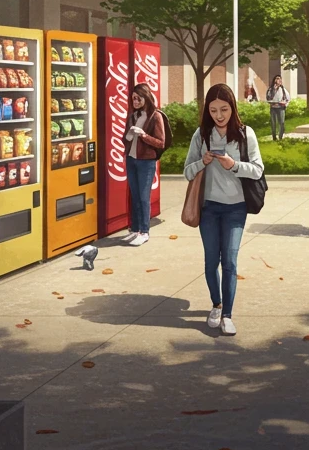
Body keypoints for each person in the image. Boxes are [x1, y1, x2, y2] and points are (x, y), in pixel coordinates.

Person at [183, 83, 264, 335]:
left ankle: (227, 314)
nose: (219, 115)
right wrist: (202, 162)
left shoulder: (245, 134)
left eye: (224, 109)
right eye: (213, 110)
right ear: (207, 110)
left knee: (229, 261)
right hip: (208, 208)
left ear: (233, 108)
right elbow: (187, 172)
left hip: (236, 208)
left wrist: (234, 165)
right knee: (211, 262)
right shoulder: (201, 135)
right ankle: (216, 305)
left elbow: (258, 170)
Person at [123, 82, 166, 246]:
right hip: (131, 159)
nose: (135, 101)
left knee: (143, 197)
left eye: (138, 98)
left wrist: (143, 135)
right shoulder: (133, 116)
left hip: (146, 162)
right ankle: (134, 230)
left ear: (146, 97)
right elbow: (125, 139)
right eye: (133, 98)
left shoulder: (155, 116)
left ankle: (144, 231)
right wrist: (128, 135)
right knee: (134, 196)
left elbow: (160, 142)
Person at [265, 74, 290, 141]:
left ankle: (280, 137)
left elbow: (288, 99)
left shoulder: (283, 90)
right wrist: (274, 90)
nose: (278, 80)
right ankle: (274, 137)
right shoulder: (270, 89)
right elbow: (268, 98)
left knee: (281, 122)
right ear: (274, 80)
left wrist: (285, 104)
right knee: (273, 123)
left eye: (279, 79)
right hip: (273, 108)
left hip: (281, 108)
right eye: (277, 78)